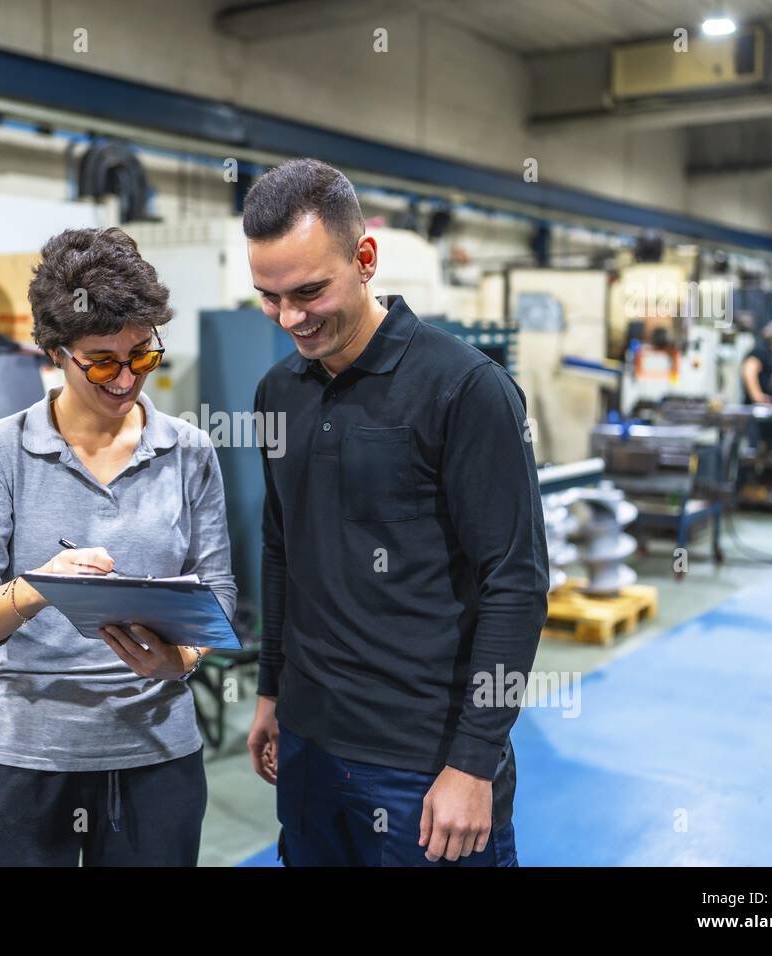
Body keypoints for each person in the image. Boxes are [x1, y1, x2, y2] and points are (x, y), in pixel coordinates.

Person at [242, 159, 548, 867]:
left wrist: (474, 761)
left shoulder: (465, 389)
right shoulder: (276, 393)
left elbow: (517, 580)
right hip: (311, 748)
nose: (290, 319)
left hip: (424, 760)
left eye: (309, 292)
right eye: (268, 297)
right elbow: (282, 546)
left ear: (365, 259)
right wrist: (270, 692)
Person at [0, 227, 235, 866]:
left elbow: (219, 594)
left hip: (154, 758)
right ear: (54, 352)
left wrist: (179, 659)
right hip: (25, 759)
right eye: (102, 361)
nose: (126, 379)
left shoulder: (190, 452)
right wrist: (36, 588)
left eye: (142, 355)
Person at [741, 323, 772, 452]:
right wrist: (757, 395)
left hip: (765, 405)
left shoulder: (768, 352)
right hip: (757, 407)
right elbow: (748, 370)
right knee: (756, 444)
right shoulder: (760, 351)